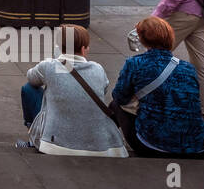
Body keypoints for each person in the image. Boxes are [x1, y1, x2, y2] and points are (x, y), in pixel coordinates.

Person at [19, 25, 128, 157]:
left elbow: (31, 78)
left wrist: (55, 60)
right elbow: (103, 91)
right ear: (83, 49)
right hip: (100, 145)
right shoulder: (98, 69)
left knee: (29, 88)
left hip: (55, 145)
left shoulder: (48, 66)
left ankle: (33, 138)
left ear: (59, 47)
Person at [111, 16, 204, 159]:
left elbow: (120, 96)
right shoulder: (188, 68)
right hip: (197, 148)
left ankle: (105, 144)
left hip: (153, 147)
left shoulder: (135, 64)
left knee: (115, 105)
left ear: (143, 40)